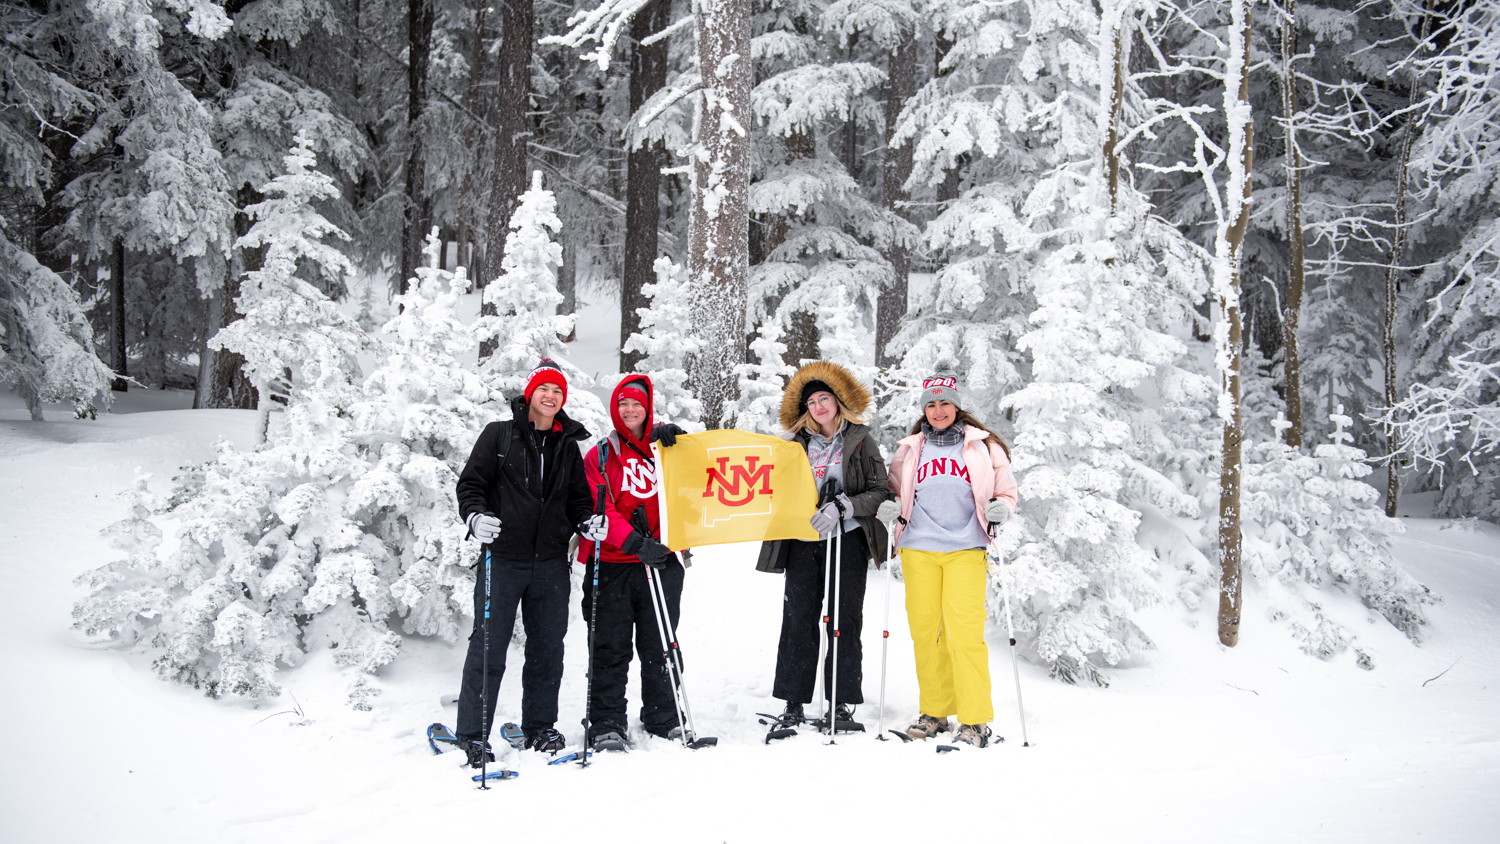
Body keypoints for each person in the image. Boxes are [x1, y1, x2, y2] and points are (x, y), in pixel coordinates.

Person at [454, 359, 609, 764]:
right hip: (503, 559)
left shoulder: (567, 445)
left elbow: (578, 498)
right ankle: (473, 734)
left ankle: (541, 726)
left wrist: (587, 521)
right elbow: (471, 484)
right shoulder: (499, 435)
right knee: (488, 648)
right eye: (544, 389)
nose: (551, 396)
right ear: (530, 393)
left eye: (558, 391)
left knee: (546, 649)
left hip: (552, 564)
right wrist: (475, 517)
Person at [879, 366, 1018, 747]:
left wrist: (1001, 510)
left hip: (965, 548)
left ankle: (974, 721)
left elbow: (1006, 493)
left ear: (957, 407)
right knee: (927, 634)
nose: (938, 411)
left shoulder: (983, 447)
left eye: (945, 403)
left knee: (965, 635)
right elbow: (892, 491)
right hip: (918, 549)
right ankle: (935, 712)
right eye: (931, 405)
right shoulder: (910, 449)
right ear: (924, 410)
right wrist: (889, 507)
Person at [756, 361, 889, 729]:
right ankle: (794, 702)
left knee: (844, 620)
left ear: (837, 401)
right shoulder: (793, 446)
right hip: (803, 542)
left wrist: (846, 506)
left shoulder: (860, 441)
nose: (818, 406)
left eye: (824, 398)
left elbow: (881, 491)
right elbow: (774, 490)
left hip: (846, 541)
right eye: (811, 401)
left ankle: (841, 703)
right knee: (798, 620)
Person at [577, 374, 688, 749]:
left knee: (660, 643)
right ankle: (607, 719)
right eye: (623, 403)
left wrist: (685, 442)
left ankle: (663, 714)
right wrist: (634, 543)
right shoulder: (601, 454)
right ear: (614, 408)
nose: (629, 410)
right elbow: (599, 507)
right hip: (612, 563)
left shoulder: (665, 447)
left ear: (648, 407)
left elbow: (694, 482)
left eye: (636, 404)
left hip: (662, 562)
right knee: (610, 645)